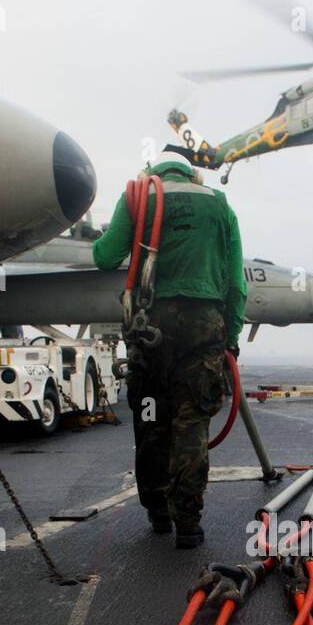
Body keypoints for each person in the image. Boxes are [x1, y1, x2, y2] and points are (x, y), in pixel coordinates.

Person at [92, 146, 246, 548]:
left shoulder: (137, 196)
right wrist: (229, 336)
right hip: (203, 327)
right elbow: (236, 284)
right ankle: (189, 525)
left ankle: (158, 513)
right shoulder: (218, 203)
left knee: (151, 420)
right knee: (192, 420)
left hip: (149, 327)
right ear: (191, 171)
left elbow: (106, 256)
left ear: (152, 168)